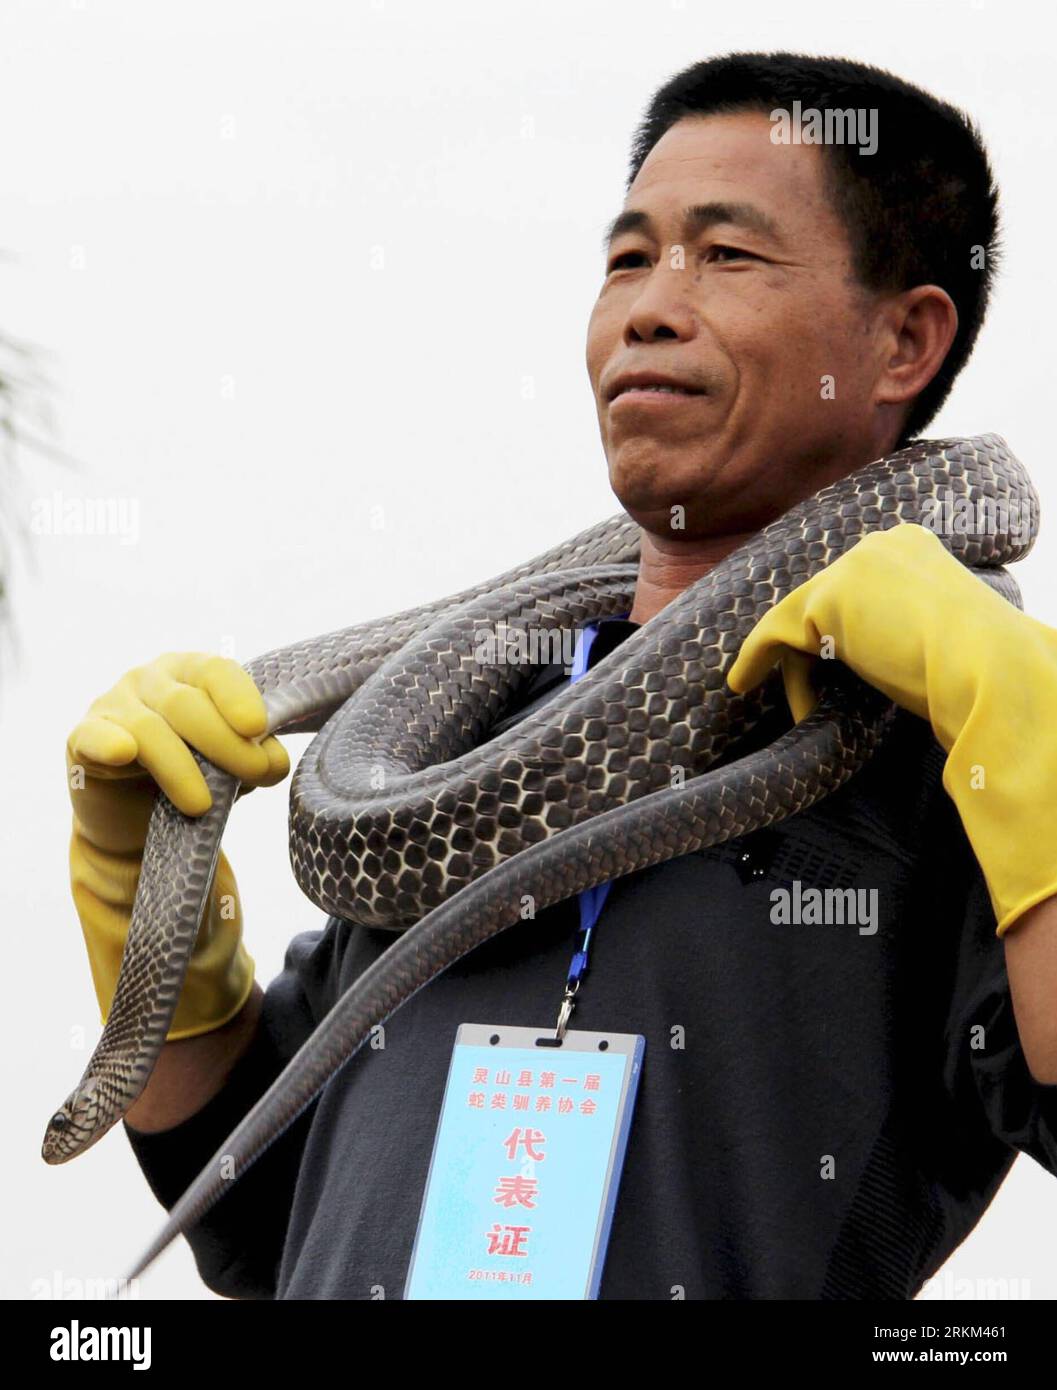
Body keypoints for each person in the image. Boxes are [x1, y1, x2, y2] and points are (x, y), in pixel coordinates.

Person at [66, 53, 1057, 1300]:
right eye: (628, 258)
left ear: (904, 339)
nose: (650, 305)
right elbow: (254, 1194)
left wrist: (1028, 730)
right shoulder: (468, 757)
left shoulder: (949, 740)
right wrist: (152, 902)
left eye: (727, 256)